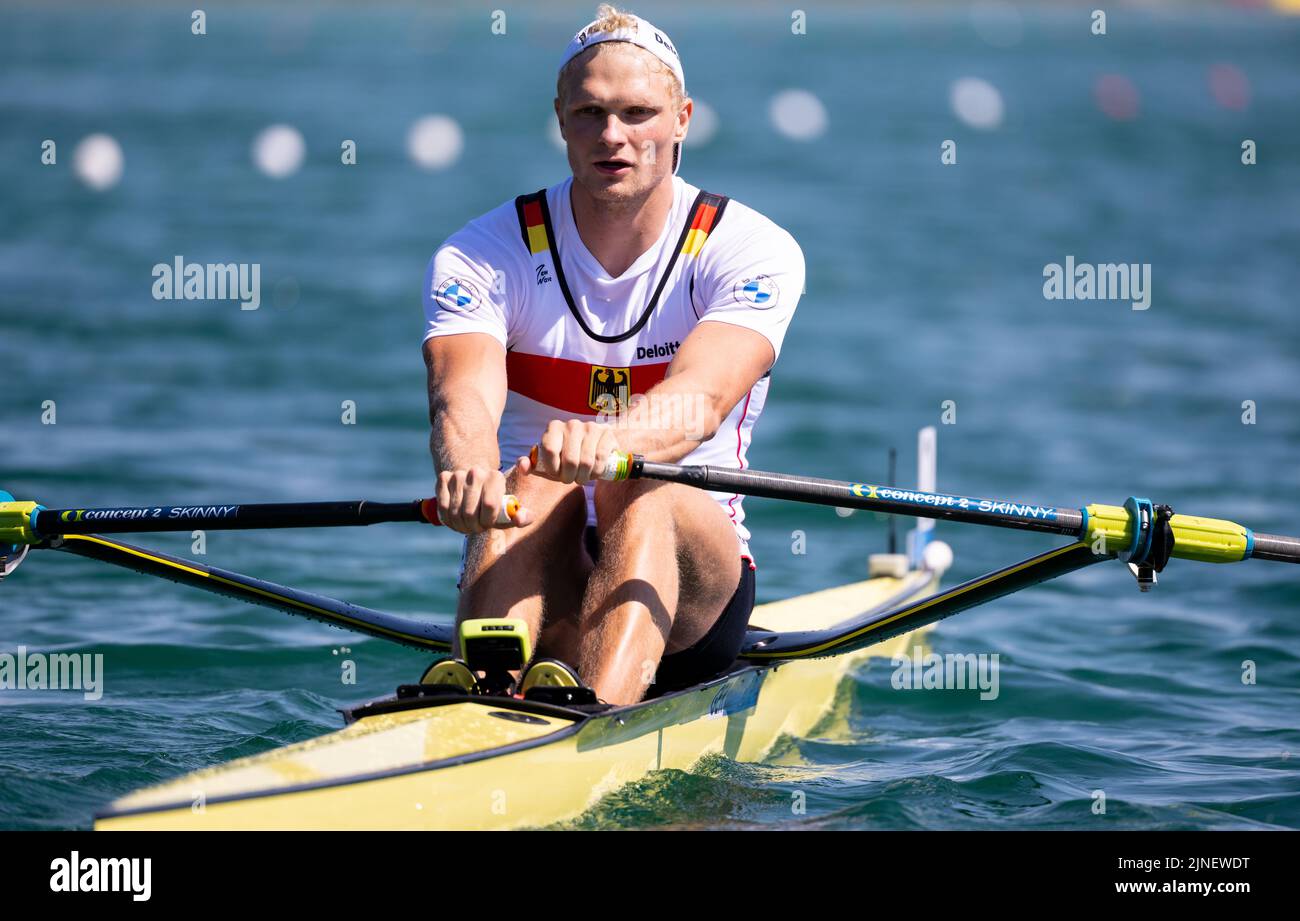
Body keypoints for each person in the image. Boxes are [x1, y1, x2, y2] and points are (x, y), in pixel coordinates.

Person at [421, 4, 804, 705]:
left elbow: (701, 401)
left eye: (638, 113)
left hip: (694, 590)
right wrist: (468, 469)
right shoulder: (482, 253)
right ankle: (482, 700)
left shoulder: (748, 249)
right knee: (528, 483)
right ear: (561, 118)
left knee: (637, 483)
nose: (614, 136)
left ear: (682, 118)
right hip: (538, 547)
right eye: (591, 113)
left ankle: (592, 716)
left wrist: (606, 443)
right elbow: (461, 394)